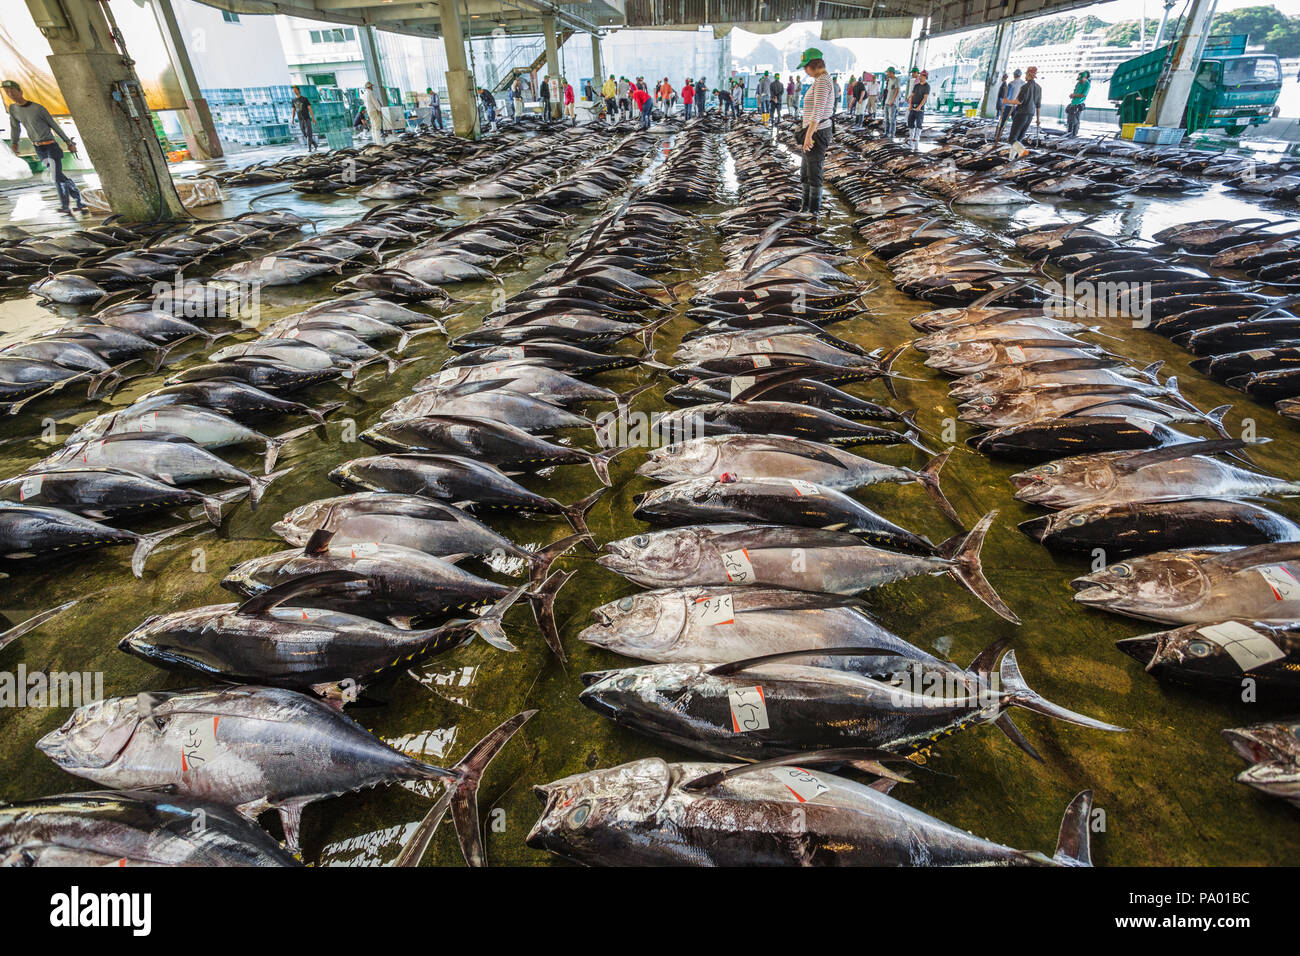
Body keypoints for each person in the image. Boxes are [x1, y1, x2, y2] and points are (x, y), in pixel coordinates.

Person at [3, 79, 85, 215]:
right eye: (7, 92)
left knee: (56, 176)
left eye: (12, 90)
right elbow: (14, 126)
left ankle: (65, 207)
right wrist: (14, 142)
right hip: (38, 148)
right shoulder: (13, 109)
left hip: (51, 146)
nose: (10, 93)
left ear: (20, 91)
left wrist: (68, 143)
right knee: (59, 176)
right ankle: (79, 200)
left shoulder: (38, 108)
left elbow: (54, 125)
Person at [795, 48, 834, 217]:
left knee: (814, 172)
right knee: (805, 172)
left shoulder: (823, 81)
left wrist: (809, 136)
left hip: (817, 133)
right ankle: (805, 207)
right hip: (812, 131)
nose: (805, 70)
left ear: (814, 65)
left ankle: (813, 211)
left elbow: (817, 112)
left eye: (806, 67)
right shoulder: (818, 80)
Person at [1007, 65, 1041, 155]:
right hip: (1031, 115)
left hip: (1021, 114)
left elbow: (1018, 101)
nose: (1025, 76)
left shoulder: (1025, 87)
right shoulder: (1039, 88)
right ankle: (1012, 159)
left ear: (1029, 75)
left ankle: (1022, 152)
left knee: (1012, 139)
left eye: (1026, 74)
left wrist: (1007, 101)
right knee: (1018, 139)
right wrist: (1038, 119)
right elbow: (1038, 105)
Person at [994, 68, 1022, 144]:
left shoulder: (1011, 83)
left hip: (1009, 106)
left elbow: (1008, 96)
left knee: (1003, 121)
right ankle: (1014, 138)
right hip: (1017, 106)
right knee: (1015, 123)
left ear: (1014, 75)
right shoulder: (1024, 83)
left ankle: (997, 135)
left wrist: (1004, 103)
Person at [906, 69, 930, 147]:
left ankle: (917, 137)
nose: (920, 77)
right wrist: (910, 103)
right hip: (913, 106)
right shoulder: (916, 86)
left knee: (919, 122)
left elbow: (925, 98)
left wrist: (920, 106)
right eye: (920, 75)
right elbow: (912, 95)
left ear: (925, 77)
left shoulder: (927, 86)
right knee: (910, 121)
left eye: (922, 76)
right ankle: (911, 136)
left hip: (920, 108)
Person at [290, 85, 317, 150]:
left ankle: (309, 147)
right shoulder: (293, 100)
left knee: (309, 133)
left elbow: (310, 109)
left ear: (299, 90)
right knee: (304, 133)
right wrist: (293, 119)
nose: (295, 92)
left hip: (307, 118)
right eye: (294, 91)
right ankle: (314, 143)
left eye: (296, 90)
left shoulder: (304, 99)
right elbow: (293, 110)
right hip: (300, 119)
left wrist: (313, 118)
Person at [1066, 70, 1090, 136]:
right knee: (1069, 121)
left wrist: (1074, 95)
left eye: (1081, 79)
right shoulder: (1078, 83)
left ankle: (1074, 135)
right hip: (1073, 103)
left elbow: (1083, 95)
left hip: (1078, 104)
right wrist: (1072, 95)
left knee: (1075, 121)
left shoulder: (1087, 84)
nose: (1080, 81)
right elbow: (1075, 91)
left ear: (1085, 78)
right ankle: (1068, 134)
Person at [882, 66, 900, 137]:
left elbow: (897, 90)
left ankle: (892, 133)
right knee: (886, 119)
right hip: (887, 102)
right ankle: (886, 133)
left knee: (892, 119)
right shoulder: (889, 81)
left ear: (892, 73)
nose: (887, 74)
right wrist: (884, 103)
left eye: (888, 72)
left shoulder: (896, 80)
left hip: (893, 103)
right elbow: (888, 92)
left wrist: (892, 100)